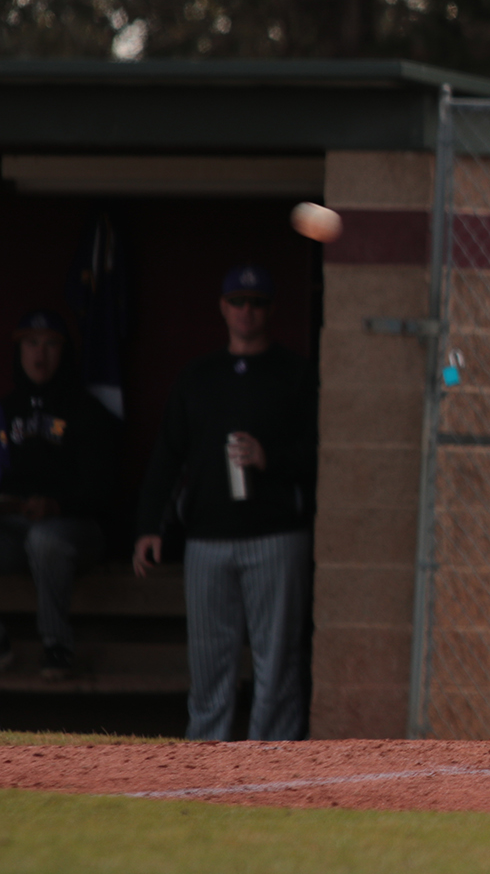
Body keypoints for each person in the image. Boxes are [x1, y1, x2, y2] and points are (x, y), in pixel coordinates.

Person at [133, 265, 318, 741]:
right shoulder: (199, 376)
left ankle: (272, 766)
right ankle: (206, 759)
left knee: (276, 660)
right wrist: (149, 526)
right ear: (223, 307)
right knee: (210, 660)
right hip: (208, 538)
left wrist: (268, 458)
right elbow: (168, 455)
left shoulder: (296, 374)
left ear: (271, 310)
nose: (247, 312)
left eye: (256, 303)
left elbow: (326, 454)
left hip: (276, 534)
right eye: (238, 302)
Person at [0, 309, 119, 680]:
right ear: (19, 350)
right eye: (32, 343)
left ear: (63, 352)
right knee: (31, 536)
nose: (40, 353)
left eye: (50, 344)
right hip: (16, 527)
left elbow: (103, 490)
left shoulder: (85, 410)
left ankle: (57, 645)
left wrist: (56, 505)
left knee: (45, 539)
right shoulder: (6, 410)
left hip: (75, 529)